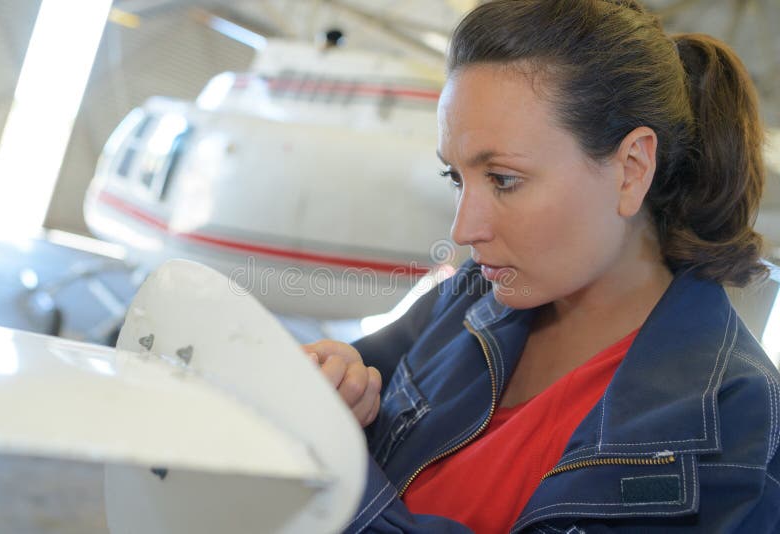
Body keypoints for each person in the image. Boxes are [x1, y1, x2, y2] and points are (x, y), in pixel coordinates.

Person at [304, 0, 780, 531]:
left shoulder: (733, 417)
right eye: (456, 179)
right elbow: (357, 372)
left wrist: (336, 473)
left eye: (504, 179)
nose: (464, 230)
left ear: (631, 170)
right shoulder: (472, 293)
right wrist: (329, 380)